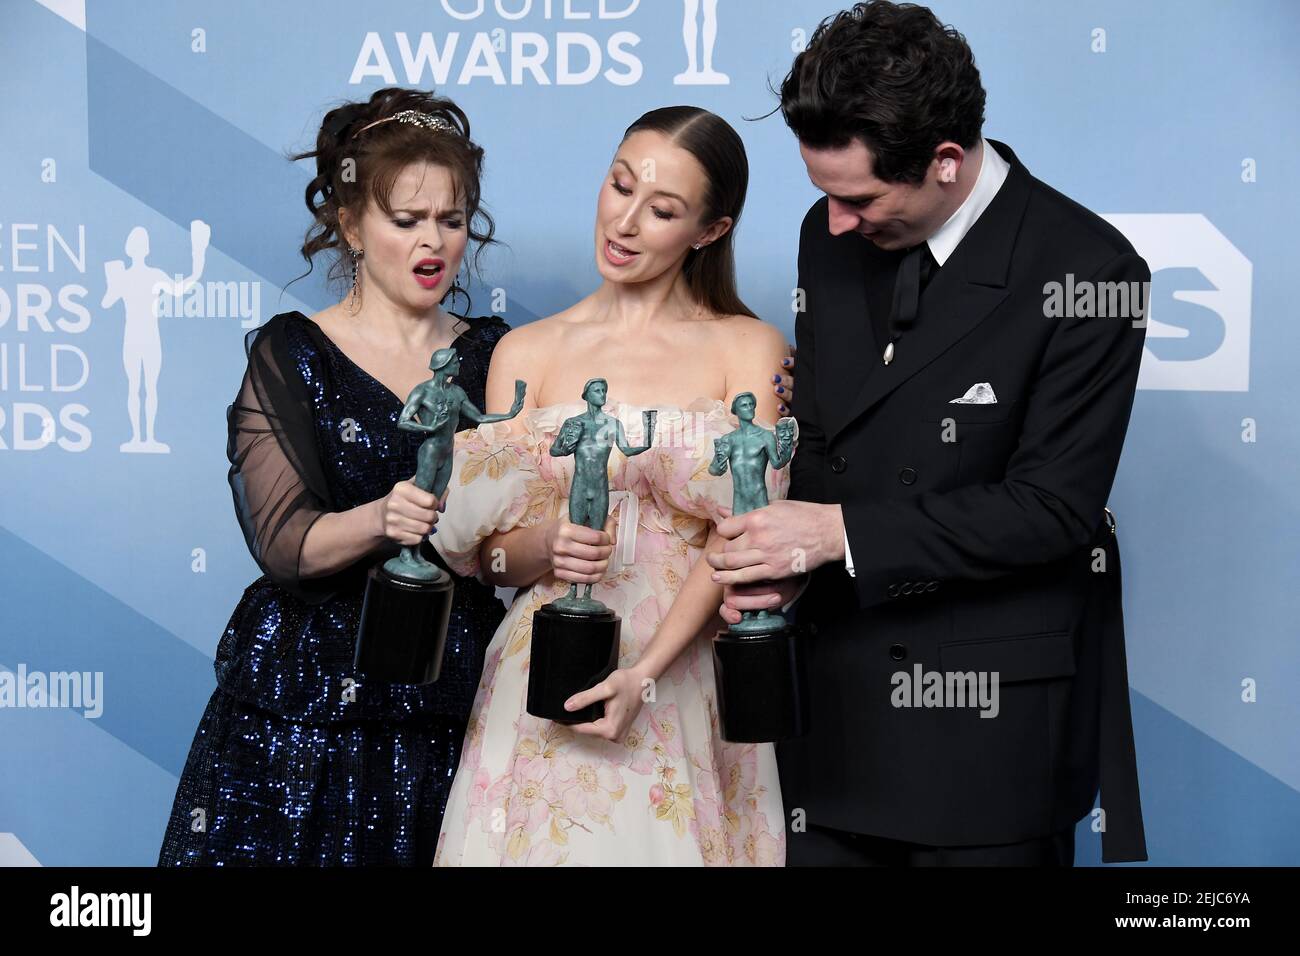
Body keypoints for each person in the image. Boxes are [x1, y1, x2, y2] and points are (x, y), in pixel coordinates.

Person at [710, 1, 1149, 865]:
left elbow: (1052, 509)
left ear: (946, 162)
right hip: (825, 720)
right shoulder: (827, 234)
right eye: (821, 195)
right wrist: (785, 565)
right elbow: (832, 442)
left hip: (985, 740)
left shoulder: (1090, 271)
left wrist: (836, 535)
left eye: (859, 197)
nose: (834, 221)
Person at [158, 88, 513, 866]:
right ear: (351, 225)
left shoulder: (498, 355)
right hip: (310, 700)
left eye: (451, 221)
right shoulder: (292, 353)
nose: (435, 243)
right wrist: (384, 517)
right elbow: (285, 545)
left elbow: (518, 531)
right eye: (407, 220)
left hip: (452, 685)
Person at [431, 106, 793, 866]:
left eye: (660, 210)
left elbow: (747, 534)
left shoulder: (750, 349)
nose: (624, 222)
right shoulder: (526, 351)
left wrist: (644, 674)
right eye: (618, 185)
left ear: (710, 230)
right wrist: (544, 547)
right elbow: (489, 553)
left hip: (681, 671)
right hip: (545, 663)